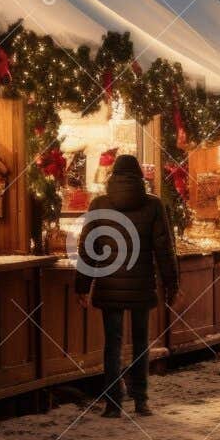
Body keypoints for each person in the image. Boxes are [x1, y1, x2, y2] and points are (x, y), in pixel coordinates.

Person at [75, 154, 179, 418]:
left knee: (113, 343)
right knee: (141, 341)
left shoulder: (99, 204)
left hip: (109, 284)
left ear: (113, 176)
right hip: (142, 284)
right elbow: (164, 249)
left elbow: (88, 249)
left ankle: (113, 403)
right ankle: (141, 400)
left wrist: (82, 286)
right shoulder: (153, 205)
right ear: (139, 177)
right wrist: (171, 283)